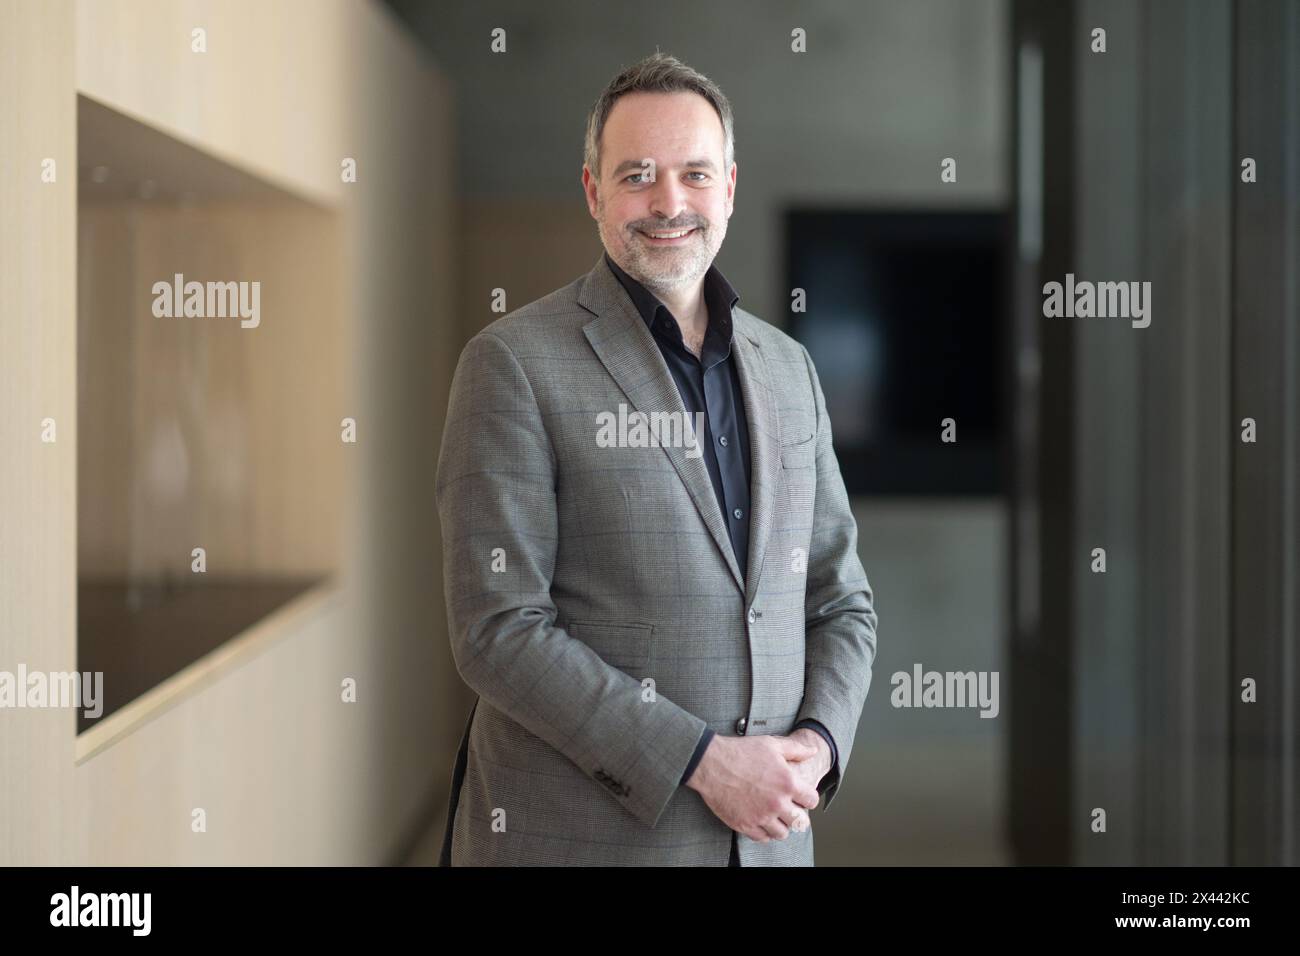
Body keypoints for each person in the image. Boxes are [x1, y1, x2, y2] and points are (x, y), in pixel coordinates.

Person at [436, 52, 877, 866]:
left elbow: (839, 599)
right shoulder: (514, 363)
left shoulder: (789, 368)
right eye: (637, 174)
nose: (669, 201)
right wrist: (704, 763)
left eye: (694, 174)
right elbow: (497, 628)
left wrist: (817, 744)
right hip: (583, 844)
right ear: (594, 192)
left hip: (770, 846)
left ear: (731, 187)